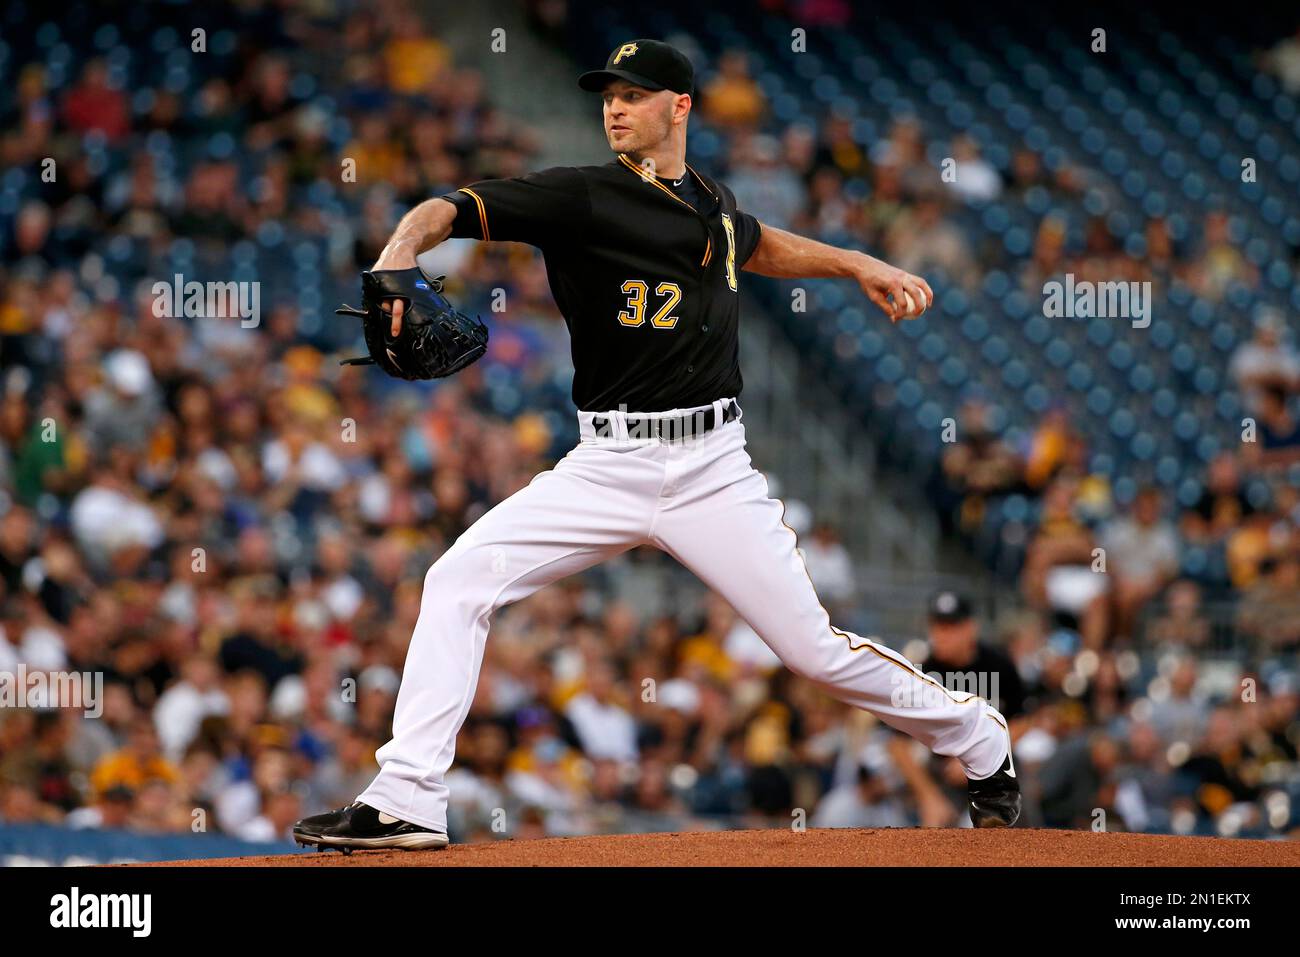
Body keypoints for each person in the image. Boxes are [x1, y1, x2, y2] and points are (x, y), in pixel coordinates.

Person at [293, 39, 1017, 852]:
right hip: (608, 463)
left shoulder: (707, 198)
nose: (614, 106)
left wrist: (853, 264)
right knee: (459, 579)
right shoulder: (583, 195)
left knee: (812, 651)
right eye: (609, 94)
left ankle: (978, 737)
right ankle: (408, 798)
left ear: (680, 107)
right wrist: (400, 249)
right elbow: (450, 208)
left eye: (634, 94)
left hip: (713, 468)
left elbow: (750, 242)